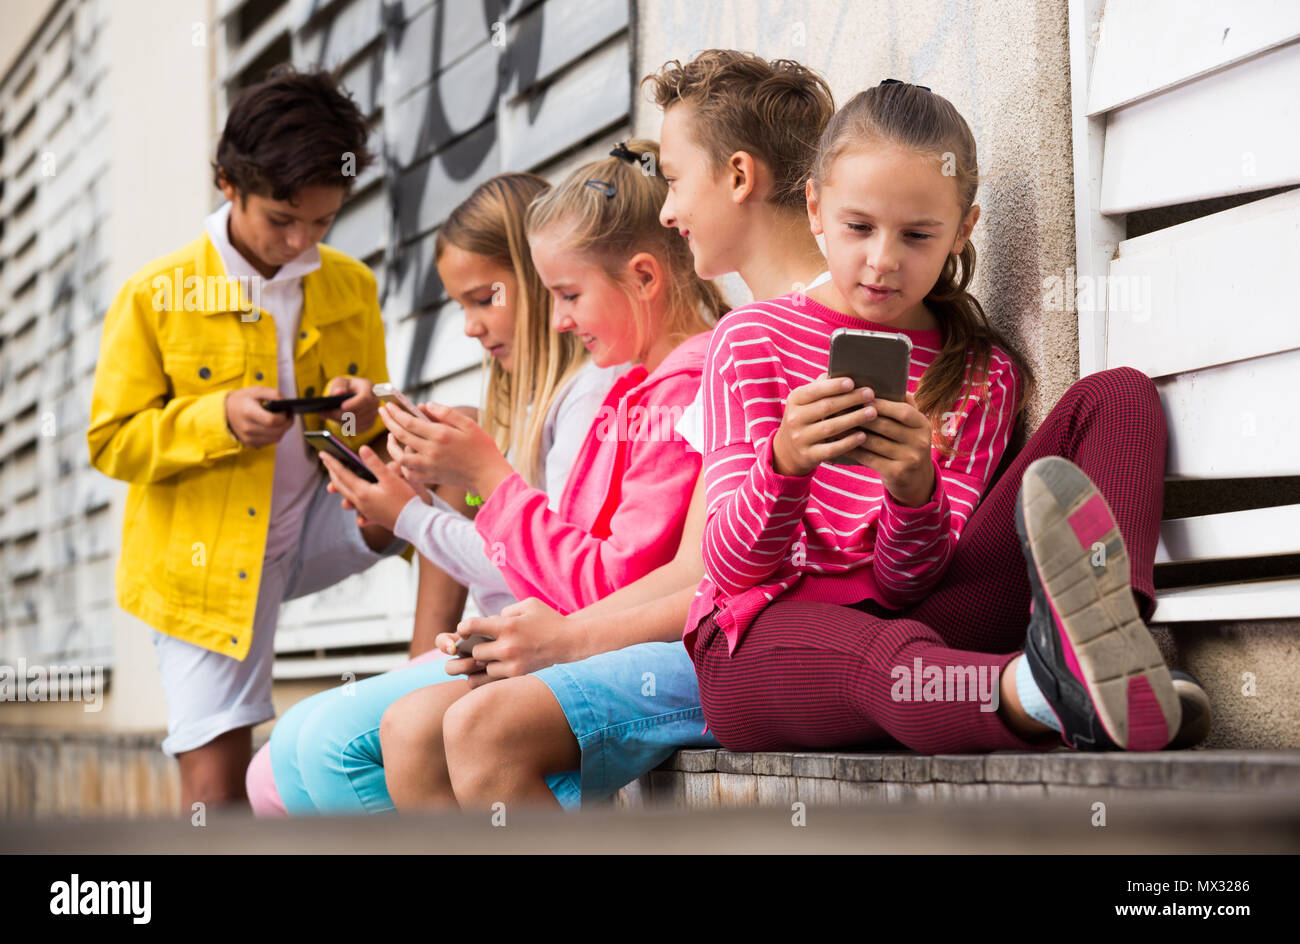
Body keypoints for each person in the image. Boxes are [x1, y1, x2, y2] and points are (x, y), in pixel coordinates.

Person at [381, 51, 837, 811]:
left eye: (676, 177)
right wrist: (546, 633)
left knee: (462, 729)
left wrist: (563, 632)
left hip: (757, 647)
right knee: (414, 726)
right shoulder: (723, 348)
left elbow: (692, 577)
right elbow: (701, 564)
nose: (667, 209)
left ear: (738, 177)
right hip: (709, 633)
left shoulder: (766, 341)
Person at [687, 79, 1185, 756]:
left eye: (918, 235)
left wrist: (914, 489)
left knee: (1117, 395)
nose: (883, 260)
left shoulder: (981, 373)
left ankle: (1107, 649)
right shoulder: (749, 340)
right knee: (887, 658)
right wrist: (784, 465)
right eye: (858, 226)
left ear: (962, 231)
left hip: (921, 615)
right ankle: (1043, 695)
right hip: (765, 647)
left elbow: (906, 583)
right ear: (814, 207)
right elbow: (732, 567)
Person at [263, 143, 724, 813]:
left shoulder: (665, 389)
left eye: (566, 294)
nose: (561, 317)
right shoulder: (629, 393)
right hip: (585, 636)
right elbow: (575, 570)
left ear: (646, 278)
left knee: (367, 738)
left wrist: (460, 492)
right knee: (333, 741)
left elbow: (606, 581)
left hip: (657, 650)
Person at [85, 66, 410, 811]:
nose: (300, 242)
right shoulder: (156, 294)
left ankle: (439, 676)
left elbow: (372, 426)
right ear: (226, 183)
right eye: (282, 219)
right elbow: (111, 441)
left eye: (322, 223)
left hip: (321, 522)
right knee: (213, 787)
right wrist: (219, 420)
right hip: (206, 556)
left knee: (452, 486)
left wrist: (366, 412)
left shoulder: (350, 285)